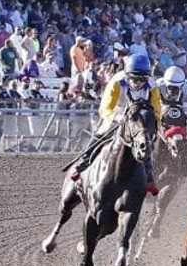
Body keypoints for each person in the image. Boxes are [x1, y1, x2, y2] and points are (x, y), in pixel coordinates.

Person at [68, 53, 162, 195]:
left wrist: (153, 123)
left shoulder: (152, 86)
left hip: (138, 119)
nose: (138, 83)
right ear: (127, 75)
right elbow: (105, 108)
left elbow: (157, 109)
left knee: (147, 141)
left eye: (141, 79)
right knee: (101, 133)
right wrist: (119, 117)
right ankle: (83, 162)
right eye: (134, 79)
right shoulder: (117, 82)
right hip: (117, 116)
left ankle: (149, 178)